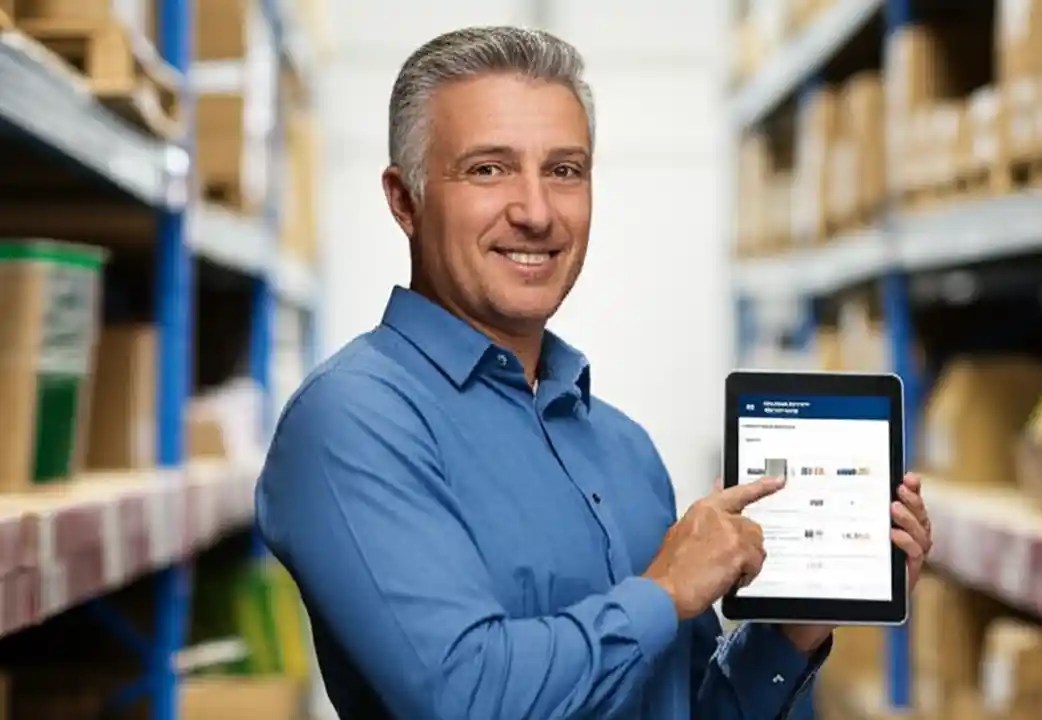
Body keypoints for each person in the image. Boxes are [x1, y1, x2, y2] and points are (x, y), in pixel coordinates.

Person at [255, 26, 933, 720]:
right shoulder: (351, 421)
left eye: (564, 170)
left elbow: (688, 709)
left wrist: (796, 624)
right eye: (489, 169)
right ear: (405, 200)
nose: (536, 212)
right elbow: (462, 697)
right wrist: (665, 591)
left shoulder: (623, 448)